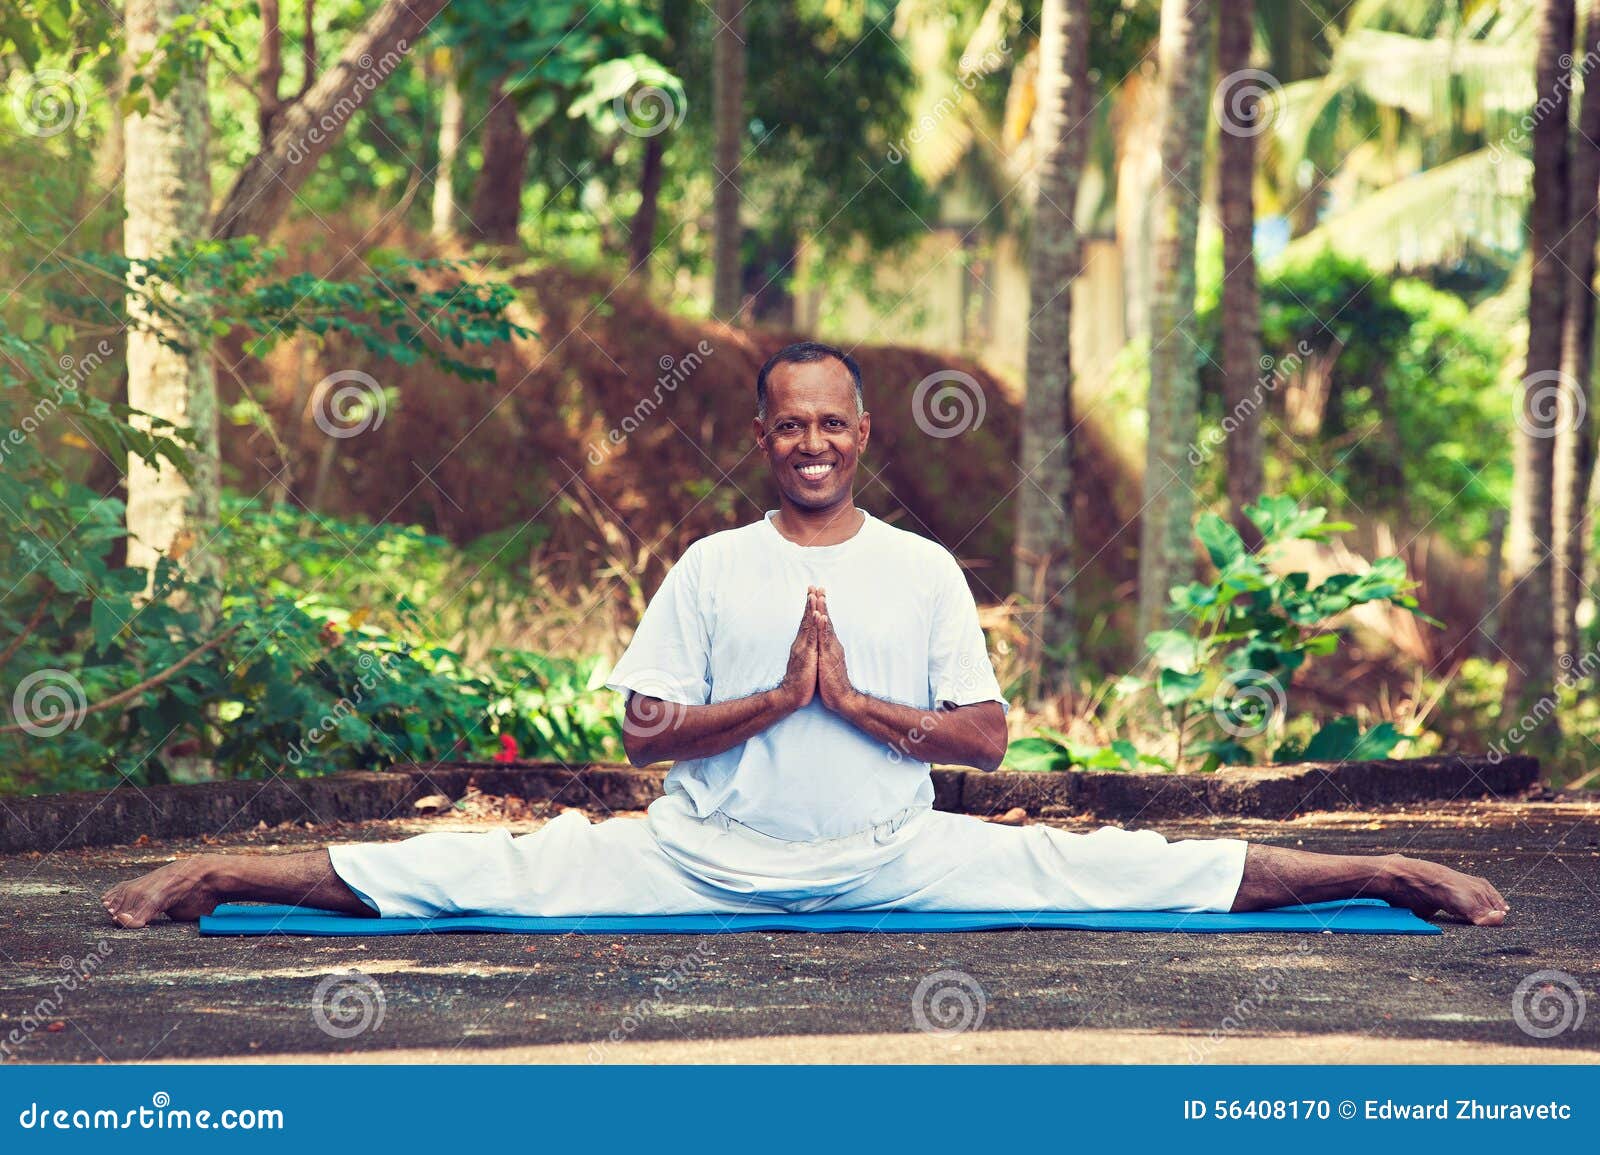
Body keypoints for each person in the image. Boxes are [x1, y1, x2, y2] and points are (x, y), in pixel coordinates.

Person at [101, 342, 1511, 930]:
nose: (815, 441)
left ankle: (1383, 867)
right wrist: (775, 701)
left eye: (836, 421)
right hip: (700, 861)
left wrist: (862, 711)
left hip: (901, 858)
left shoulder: (921, 570)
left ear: (861, 434)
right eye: (792, 423)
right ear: (768, 437)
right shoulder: (712, 567)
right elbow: (639, 736)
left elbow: (985, 740)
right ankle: (225, 867)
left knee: (1128, 869)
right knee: (485, 873)